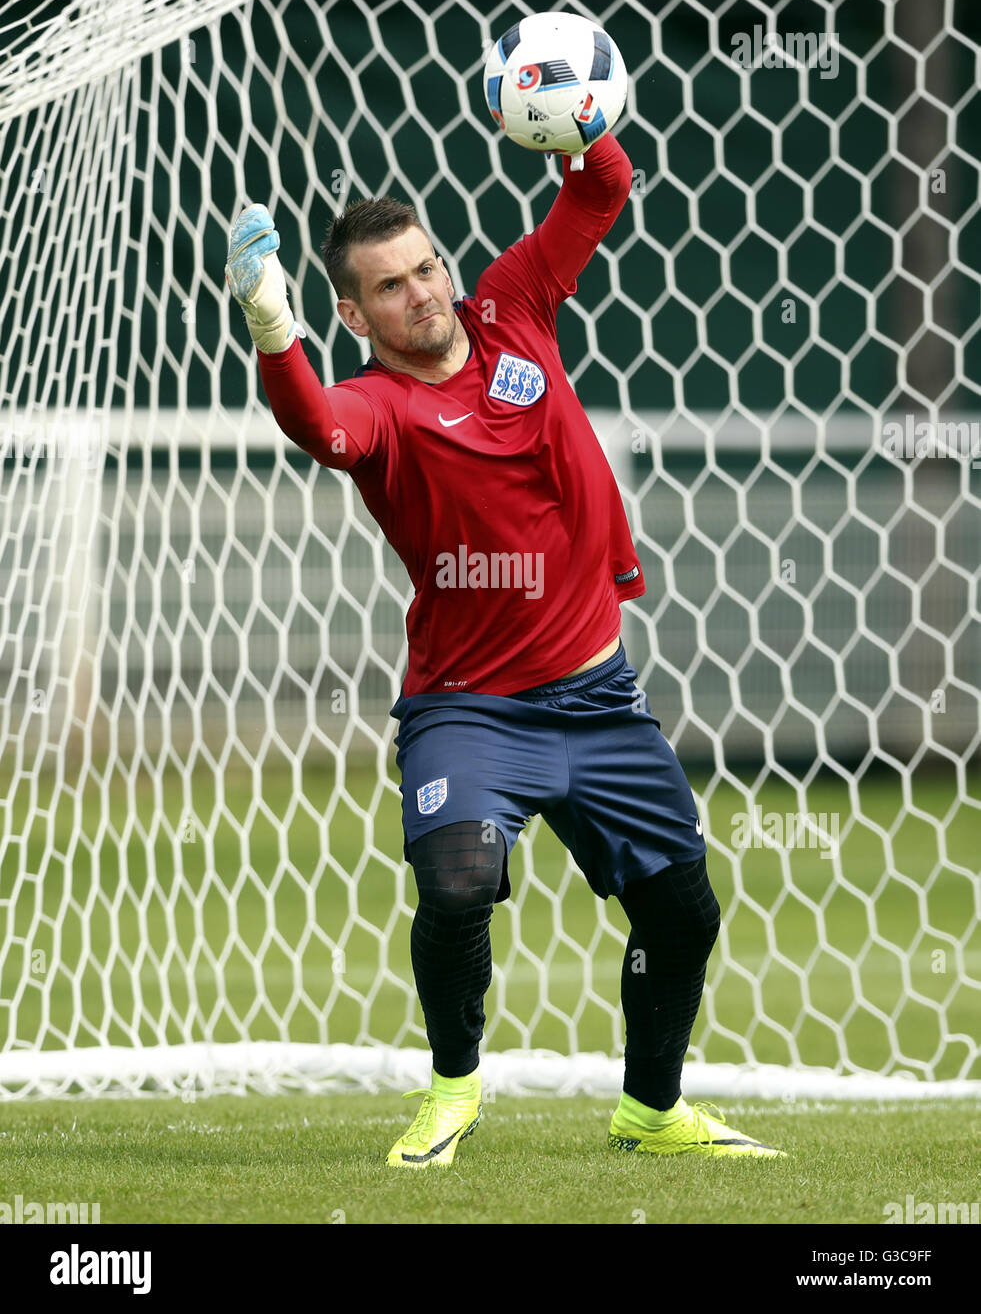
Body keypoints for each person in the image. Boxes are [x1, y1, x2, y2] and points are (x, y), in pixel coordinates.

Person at [225, 130, 785, 1165]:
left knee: (686, 914)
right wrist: (272, 329)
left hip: (599, 697)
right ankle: (451, 1090)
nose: (423, 292)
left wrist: (582, 116)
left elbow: (603, 187)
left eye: (427, 266)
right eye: (390, 286)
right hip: (470, 705)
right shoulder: (381, 409)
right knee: (457, 882)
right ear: (353, 313)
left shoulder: (513, 306)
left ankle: (651, 1111)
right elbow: (319, 426)